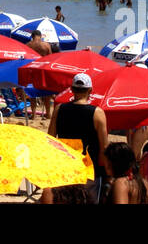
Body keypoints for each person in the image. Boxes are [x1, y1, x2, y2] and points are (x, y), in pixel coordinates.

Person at [44, 73, 108, 204]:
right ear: (90, 90)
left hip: (66, 165)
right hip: (89, 167)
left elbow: (50, 140)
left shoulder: (59, 109)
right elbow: (104, 147)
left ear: (72, 89)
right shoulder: (97, 113)